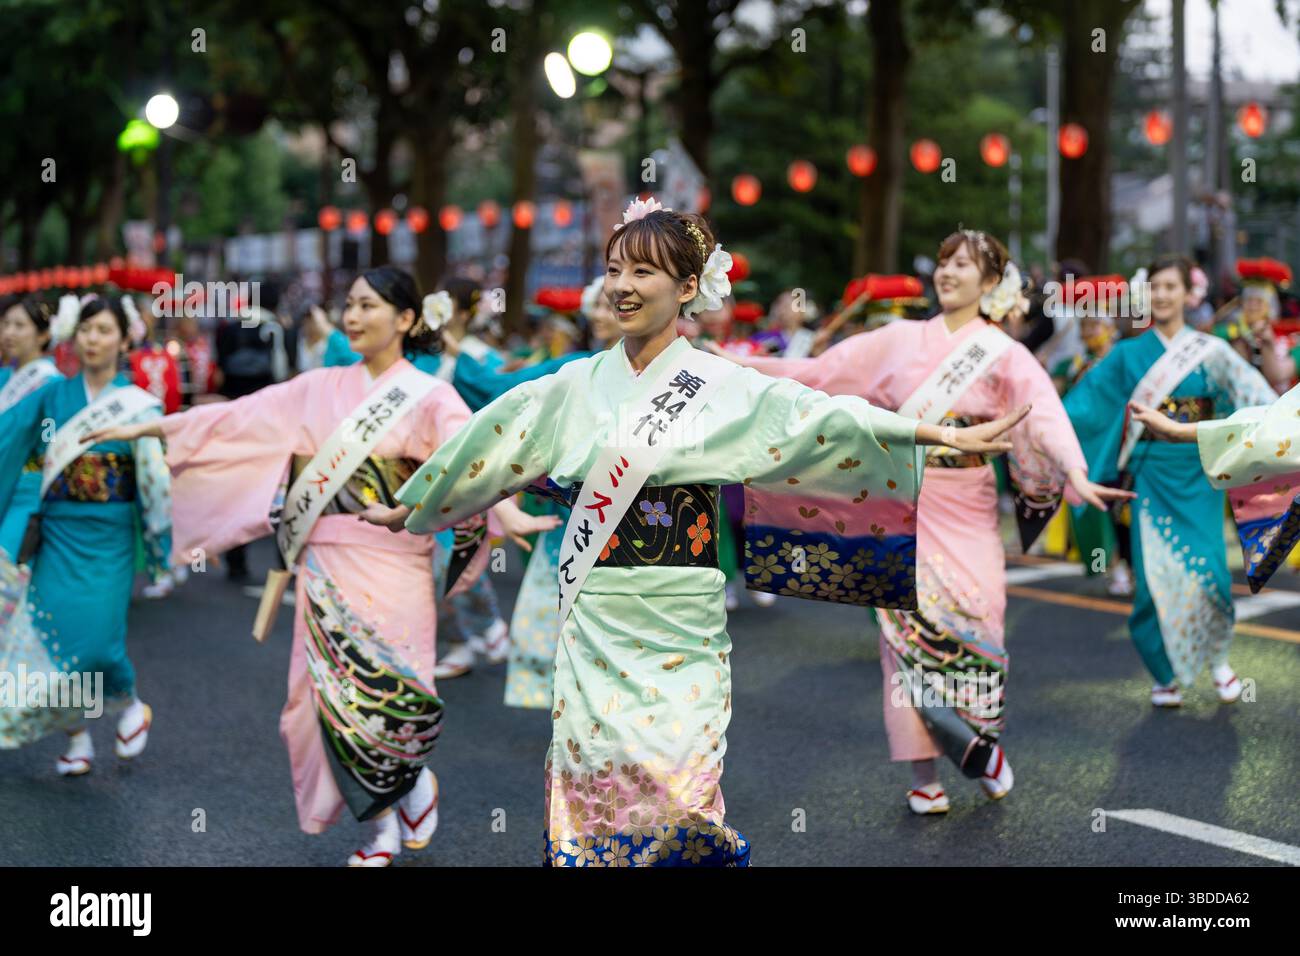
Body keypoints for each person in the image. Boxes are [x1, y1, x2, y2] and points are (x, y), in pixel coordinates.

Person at [360, 201, 1030, 865]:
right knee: (594, 768)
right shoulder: (572, 385)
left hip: (683, 610)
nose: (621, 286)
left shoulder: (720, 384)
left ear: (688, 287)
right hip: (597, 607)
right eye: (614, 269)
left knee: (681, 785)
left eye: (642, 272)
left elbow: (819, 418)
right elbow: (497, 440)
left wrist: (930, 432)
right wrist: (418, 503)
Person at [84, 266, 557, 866]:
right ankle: (385, 821)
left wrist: (507, 512)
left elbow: (472, 455)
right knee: (320, 706)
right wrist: (151, 428)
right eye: (349, 305)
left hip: (396, 566)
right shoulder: (319, 387)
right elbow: (239, 418)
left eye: (368, 306)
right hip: (327, 561)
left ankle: (405, 788)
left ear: (406, 319)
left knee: (391, 695)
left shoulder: (430, 395)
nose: (353, 317)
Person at [716, 230, 1129, 815]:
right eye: (943, 262)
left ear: (990, 284)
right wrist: (734, 365)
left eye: (964, 265)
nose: (948, 272)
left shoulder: (1005, 352)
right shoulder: (898, 339)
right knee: (903, 638)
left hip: (970, 502)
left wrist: (1077, 472)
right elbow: (820, 372)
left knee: (980, 624)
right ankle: (923, 772)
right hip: (903, 500)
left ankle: (977, 741)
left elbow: (1045, 416)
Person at [1064, 254, 1278, 708]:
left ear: (1188, 293)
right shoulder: (1126, 354)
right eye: (1155, 287)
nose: (1161, 295)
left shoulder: (1212, 350)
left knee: (1213, 576)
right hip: (1150, 475)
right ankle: (1164, 674)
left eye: (1170, 286)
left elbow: (1256, 397)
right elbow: (1085, 406)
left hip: (1197, 473)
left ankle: (1218, 660)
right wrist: (1044, 423)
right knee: (1153, 578)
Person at [0, 294, 169, 771]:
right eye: (87, 330)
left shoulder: (137, 404)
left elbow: (154, 477)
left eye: (104, 331)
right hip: (58, 532)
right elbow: (10, 439)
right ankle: (78, 740)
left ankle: (131, 701)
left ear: (123, 339)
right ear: (74, 337)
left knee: (97, 639)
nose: (93, 340)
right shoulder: (53, 395)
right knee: (49, 637)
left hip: (109, 535)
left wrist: (160, 543)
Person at [0, 295, 63, 558]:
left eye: (19, 325)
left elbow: (50, 441)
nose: (8, 333)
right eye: (5, 324)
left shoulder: (51, 386)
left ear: (43, 334)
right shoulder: (4, 377)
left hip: (20, 500)